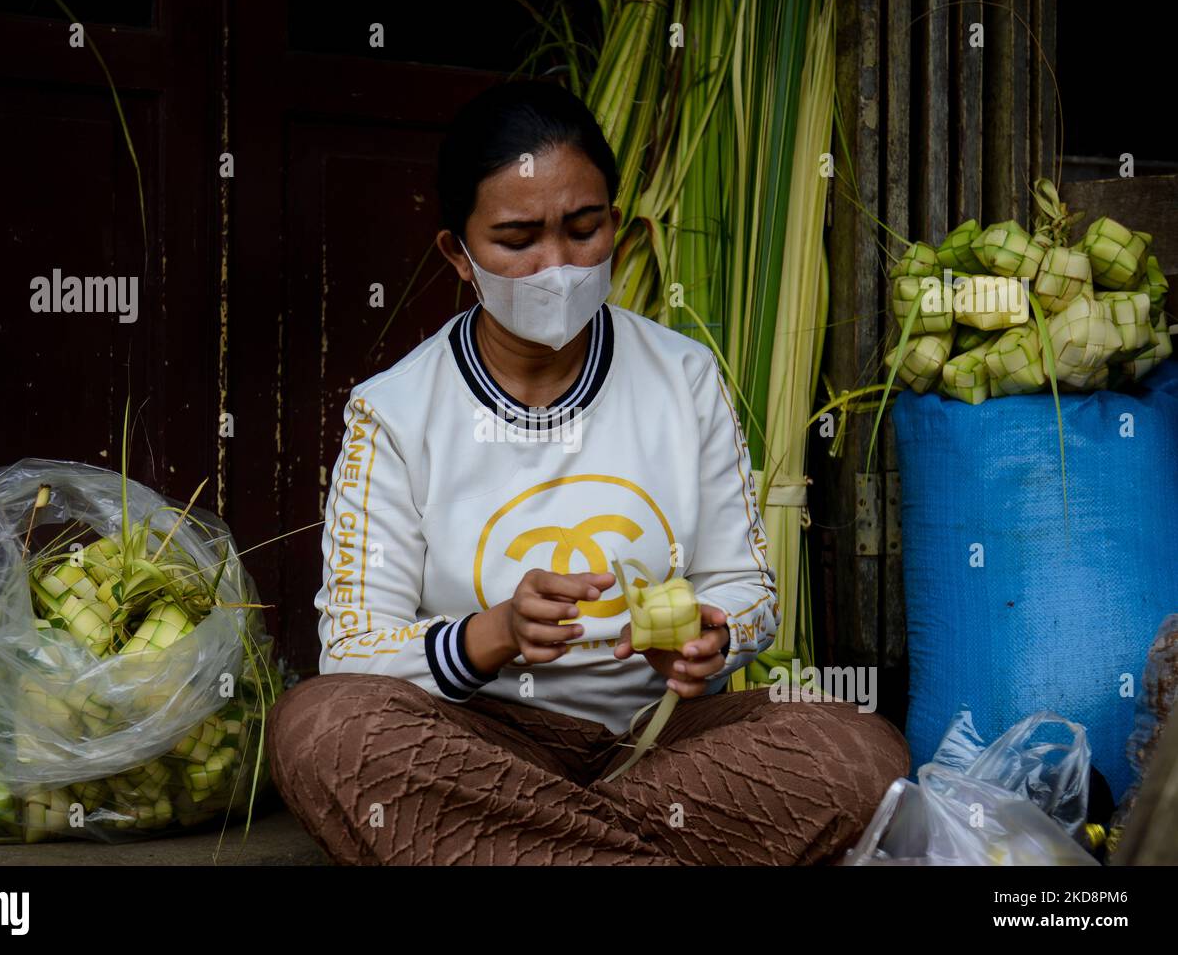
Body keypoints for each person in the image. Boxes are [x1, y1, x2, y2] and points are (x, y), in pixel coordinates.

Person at [267, 80, 909, 865]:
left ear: (618, 226)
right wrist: (493, 634)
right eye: (517, 239)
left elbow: (748, 591)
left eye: (583, 228)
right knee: (324, 728)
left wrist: (717, 635)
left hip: (662, 745)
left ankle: (512, 848)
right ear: (457, 256)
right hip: (475, 746)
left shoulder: (683, 376)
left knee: (860, 755)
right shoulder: (395, 411)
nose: (557, 266)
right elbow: (357, 653)